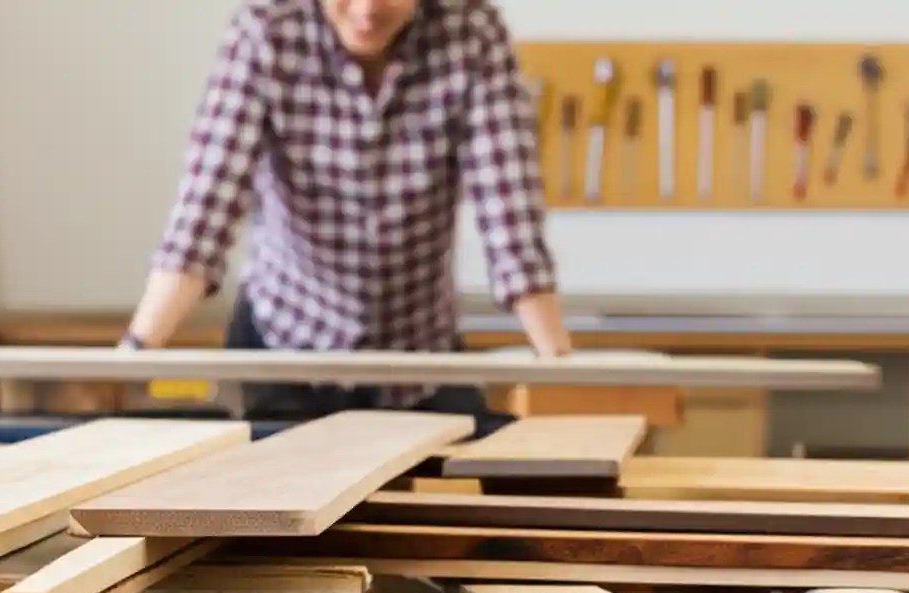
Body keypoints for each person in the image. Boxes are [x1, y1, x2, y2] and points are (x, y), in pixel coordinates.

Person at [121, 0, 572, 421]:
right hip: (286, 346)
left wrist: (558, 368)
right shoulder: (267, 31)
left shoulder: (470, 33)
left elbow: (510, 217)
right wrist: (136, 353)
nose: (367, 9)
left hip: (418, 357)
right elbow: (204, 215)